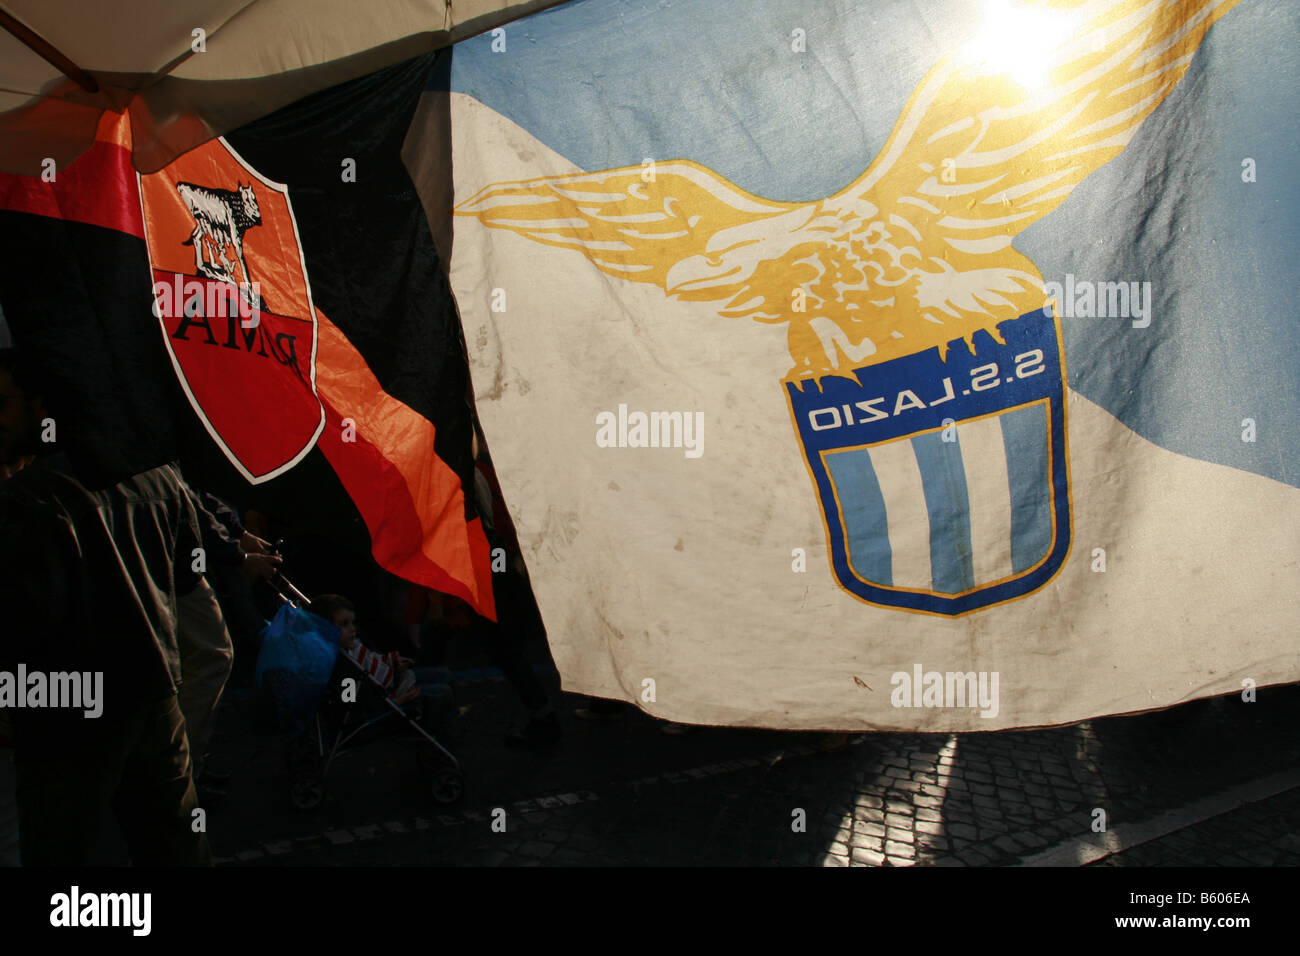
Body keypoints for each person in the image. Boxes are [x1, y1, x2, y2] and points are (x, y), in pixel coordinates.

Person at [0, 348, 210, 865]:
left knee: (56, 851)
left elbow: (25, 622)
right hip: (155, 699)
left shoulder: (29, 500)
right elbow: (188, 578)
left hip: (66, 714)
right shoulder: (158, 474)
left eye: (1, 403)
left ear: (42, 406)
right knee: (175, 847)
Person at [308, 594, 456, 737]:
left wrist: (391, 661)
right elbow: (352, 709)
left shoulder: (352, 647)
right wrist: (397, 702)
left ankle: (448, 729)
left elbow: (372, 660)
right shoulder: (345, 670)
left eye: (352, 623)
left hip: (392, 681)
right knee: (443, 693)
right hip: (388, 703)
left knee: (445, 674)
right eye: (344, 624)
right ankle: (436, 742)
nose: (352, 629)